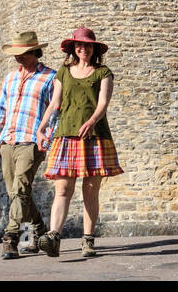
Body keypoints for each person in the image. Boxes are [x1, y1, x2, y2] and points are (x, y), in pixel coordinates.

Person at [36, 26, 123, 258]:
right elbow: (55, 103)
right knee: (63, 188)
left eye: (87, 45)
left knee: (91, 190)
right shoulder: (64, 72)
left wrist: (92, 121)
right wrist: (42, 127)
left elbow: (103, 104)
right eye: (79, 45)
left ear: (94, 48)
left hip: (94, 136)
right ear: (73, 48)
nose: (83, 48)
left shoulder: (103, 72)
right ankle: (54, 236)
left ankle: (88, 239)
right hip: (65, 134)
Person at [0, 31, 57, 260]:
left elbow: (56, 112)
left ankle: (10, 239)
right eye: (15, 54)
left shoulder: (50, 77)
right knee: (16, 194)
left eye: (22, 53)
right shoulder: (10, 79)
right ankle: (39, 229)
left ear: (34, 52)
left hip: (31, 142)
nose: (18, 58)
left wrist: (46, 137)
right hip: (7, 142)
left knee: (19, 190)